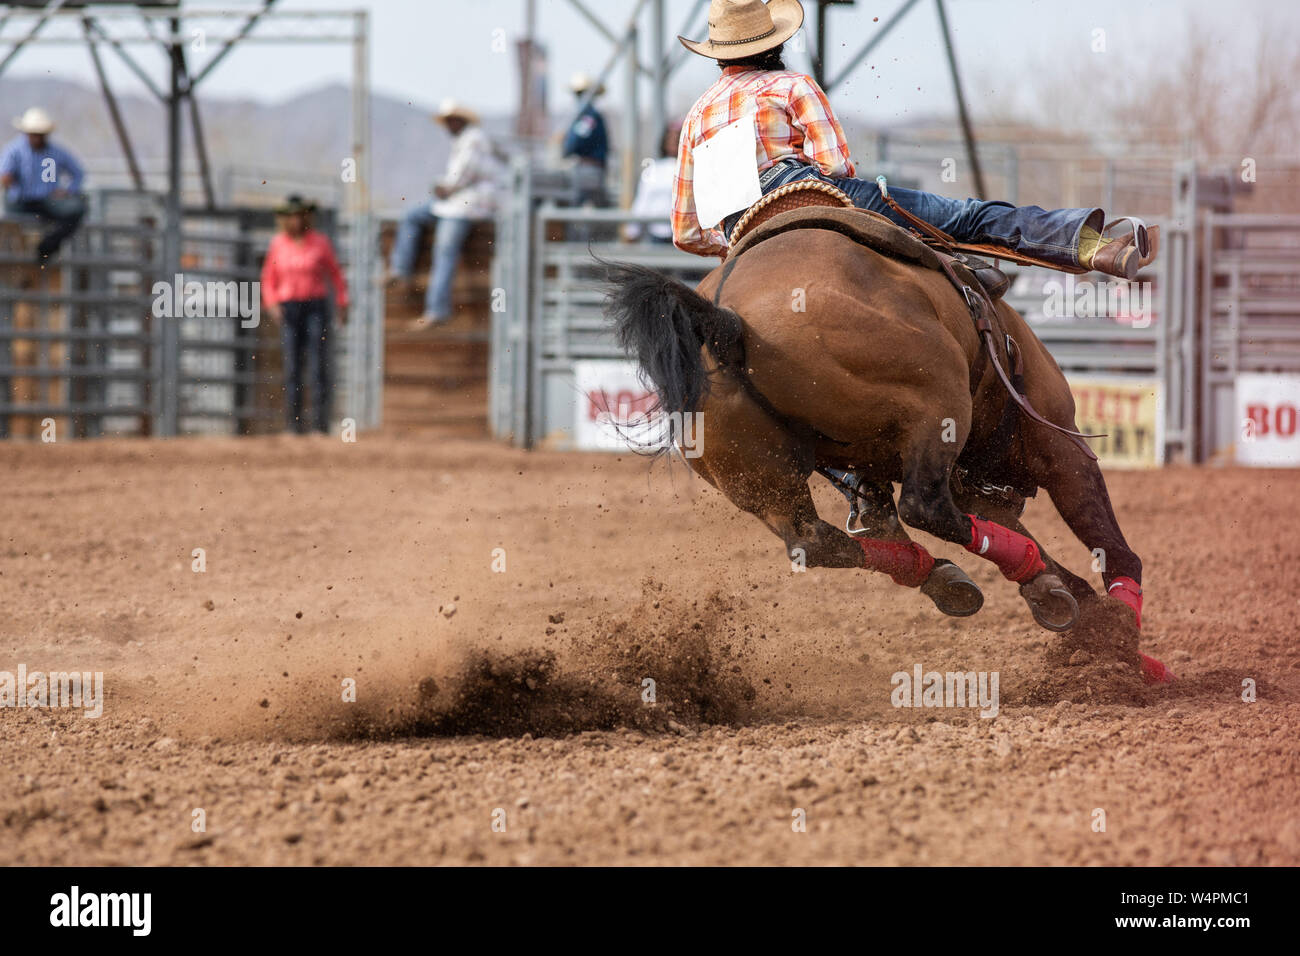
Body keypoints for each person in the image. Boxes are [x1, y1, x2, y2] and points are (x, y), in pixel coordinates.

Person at [672, 0, 1153, 279]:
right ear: (773, 44)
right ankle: (1091, 246)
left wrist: (739, 236)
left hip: (745, 232)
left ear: (718, 55)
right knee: (966, 215)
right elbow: (838, 170)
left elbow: (687, 233)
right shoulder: (791, 86)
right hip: (814, 199)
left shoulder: (695, 118)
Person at [387, 99, 499, 330]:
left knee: (444, 250)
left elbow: (461, 175)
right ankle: (400, 268)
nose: (448, 125)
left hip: (467, 205)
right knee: (412, 216)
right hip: (456, 203)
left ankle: (437, 309)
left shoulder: (473, 140)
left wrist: (445, 186)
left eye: (451, 120)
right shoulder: (466, 140)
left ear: (460, 120)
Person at [261, 195, 348, 435]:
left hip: (315, 307)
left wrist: (342, 303)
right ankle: (294, 425)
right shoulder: (278, 244)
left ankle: (320, 425)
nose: (296, 220)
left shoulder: (320, 242)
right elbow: (269, 278)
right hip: (289, 308)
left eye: (300, 215)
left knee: (318, 365)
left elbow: (336, 275)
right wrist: (273, 304)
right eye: (291, 216)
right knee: (292, 366)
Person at [0, 107, 87, 263]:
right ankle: (20, 258)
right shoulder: (14, 151)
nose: (36, 138)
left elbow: (78, 173)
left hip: (47, 201)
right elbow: (5, 174)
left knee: (78, 209)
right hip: (19, 201)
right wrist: (7, 179)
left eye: (39, 134)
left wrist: (68, 191)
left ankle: (47, 246)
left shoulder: (56, 152)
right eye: (33, 134)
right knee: (9, 224)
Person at [625, 123, 682, 244]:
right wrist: (632, 231)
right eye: (670, 139)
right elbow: (643, 201)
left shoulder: (692, 170)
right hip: (656, 233)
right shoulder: (654, 169)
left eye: (677, 138)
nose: (673, 143)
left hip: (683, 235)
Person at [563, 72, 610, 208]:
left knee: (580, 211)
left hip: (588, 169)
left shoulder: (588, 117)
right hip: (592, 169)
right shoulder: (591, 117)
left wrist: (565, 150)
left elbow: (574, 142)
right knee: (599, 211)